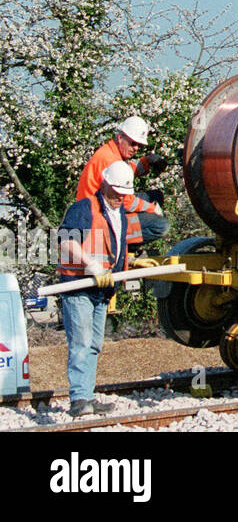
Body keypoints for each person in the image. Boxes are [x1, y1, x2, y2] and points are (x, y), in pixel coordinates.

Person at [57, 160, 136, 416]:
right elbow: (65, 241)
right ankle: (80, 400)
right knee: (80, 342)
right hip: (78, 286)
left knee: (94, 344)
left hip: (102, 289)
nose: (119, 198)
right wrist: (90, 264)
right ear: (103, 185)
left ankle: (87, 396)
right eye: (115, 192)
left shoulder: (121, 214)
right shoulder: (85, 208)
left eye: (123, 194)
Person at [76, 115, 169, 254]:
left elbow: (125, 173)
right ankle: (119, 246)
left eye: (139, 145)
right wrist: (151, 209)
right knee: (161, 226)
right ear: (120, 138)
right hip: (98, 220)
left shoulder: (110, 152)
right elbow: (123, 201)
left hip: (104, 208)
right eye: (133, 143)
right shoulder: (108, 160)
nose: (136, 148)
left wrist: (147, 162)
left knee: (155, 196)